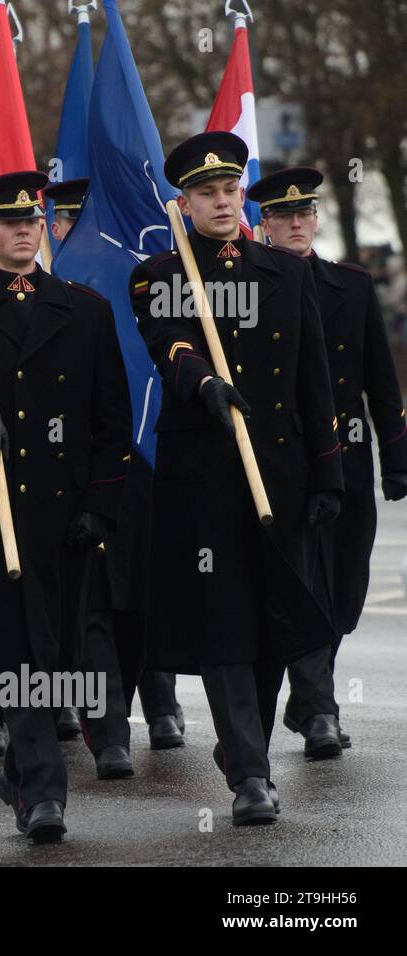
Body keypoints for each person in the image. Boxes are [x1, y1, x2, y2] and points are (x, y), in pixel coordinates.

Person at [131, 133, 343, 825]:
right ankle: (251, 771)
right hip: (203, 478)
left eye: (229, 190)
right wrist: (203, 383)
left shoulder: (287, 274)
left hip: (278, 472)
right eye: (205, 193)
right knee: (223, 620)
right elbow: (171, 345)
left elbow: (316, 385)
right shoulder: (159, 274)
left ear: (240, 194)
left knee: (272, 619)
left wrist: (327, 476)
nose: (220, 202)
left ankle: (242, 744)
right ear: (184, 202)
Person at [0, 169, 131, 843]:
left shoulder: (85, 308)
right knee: (17, 648)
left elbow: (111, 421)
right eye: (9, 222)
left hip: (66, 506)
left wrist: (101, 501)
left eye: (32, 220)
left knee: (62, 653)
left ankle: (20, 766)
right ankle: (44, 793)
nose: (24, 229)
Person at [248, 165, 407, 756]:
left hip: (347, 454)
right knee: (304, 582)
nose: (297, 223)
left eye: (305, 213)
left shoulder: (352, 284)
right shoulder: (250, 287)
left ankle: (311, 693)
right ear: (262, 224)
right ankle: (318, 707)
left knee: (343, 584)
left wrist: (396, 456)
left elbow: (381, 383)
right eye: (283, 215)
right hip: (283, 459)